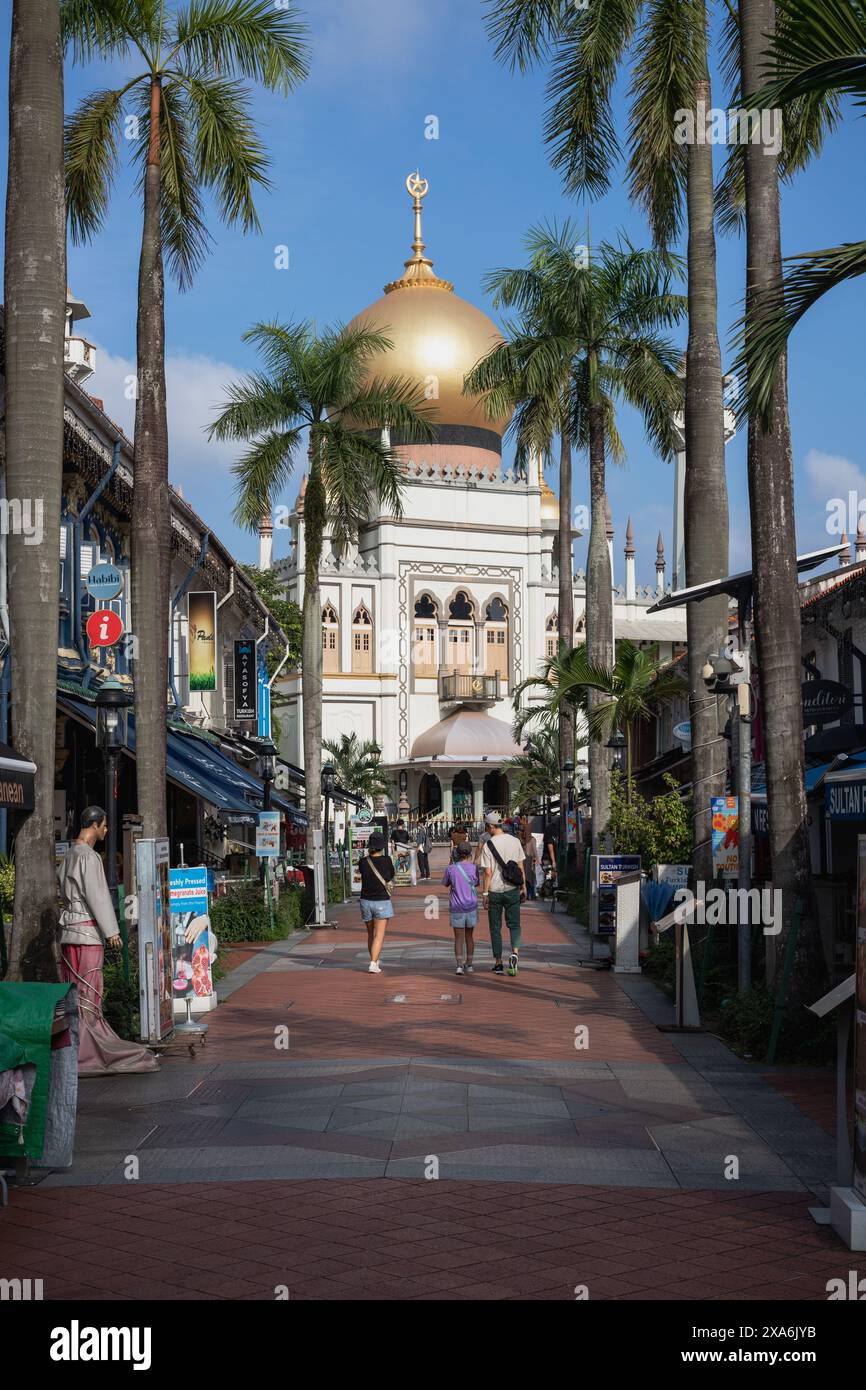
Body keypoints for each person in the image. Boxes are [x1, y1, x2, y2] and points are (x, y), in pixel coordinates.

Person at [58, 806, 158, 1075]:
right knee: (89, 992)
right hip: (88, 933)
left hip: (69, 932)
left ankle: (72, 1045)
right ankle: (87, 1048)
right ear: (95, 824)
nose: (105, 830)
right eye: (104, 825)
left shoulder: (68, 855)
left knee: (73, 990)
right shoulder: (89, 858)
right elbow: (98, 895)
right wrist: (112, 931)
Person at [479, 810, 526, 976]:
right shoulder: (514, 841)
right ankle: (515, 953)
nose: (486, 829)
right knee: (514, 925)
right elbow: (520, 867)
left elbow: (487, 873)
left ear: (492, 826)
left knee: (495, 927)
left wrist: (484, 895)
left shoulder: (488, 845)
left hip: (495, 891)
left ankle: (498, 962)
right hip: (513, 889)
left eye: (486, 826)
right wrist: (524, 887)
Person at [358, 831, 395, 973]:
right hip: (381, 901)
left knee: (370, 934)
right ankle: (373, 963)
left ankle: (374, 959)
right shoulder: (387, 860)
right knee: (379, 935)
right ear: (382, 846)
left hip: (365, 901)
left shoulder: (363, 861)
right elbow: (390, 875)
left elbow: (362, 872)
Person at [442, 841, 479, 975]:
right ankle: (469, 964)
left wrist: (451, 863)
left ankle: (459, 965)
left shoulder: (451, 869)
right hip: (471, 905)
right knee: (470, 936)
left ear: (457, 853)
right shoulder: (474, 868)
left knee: (458, 938)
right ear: (470, 854)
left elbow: (446, 883)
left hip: (457, 906)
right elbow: (476, 883)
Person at [519, 816, 538, 900]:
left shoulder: (520, 840)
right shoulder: (532, 839)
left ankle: (525, 893)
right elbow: (535, 851)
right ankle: (531, 894)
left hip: (524, 862)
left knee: (526, 877)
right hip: (528, 862)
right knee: (530, 878)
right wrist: (537, 858)